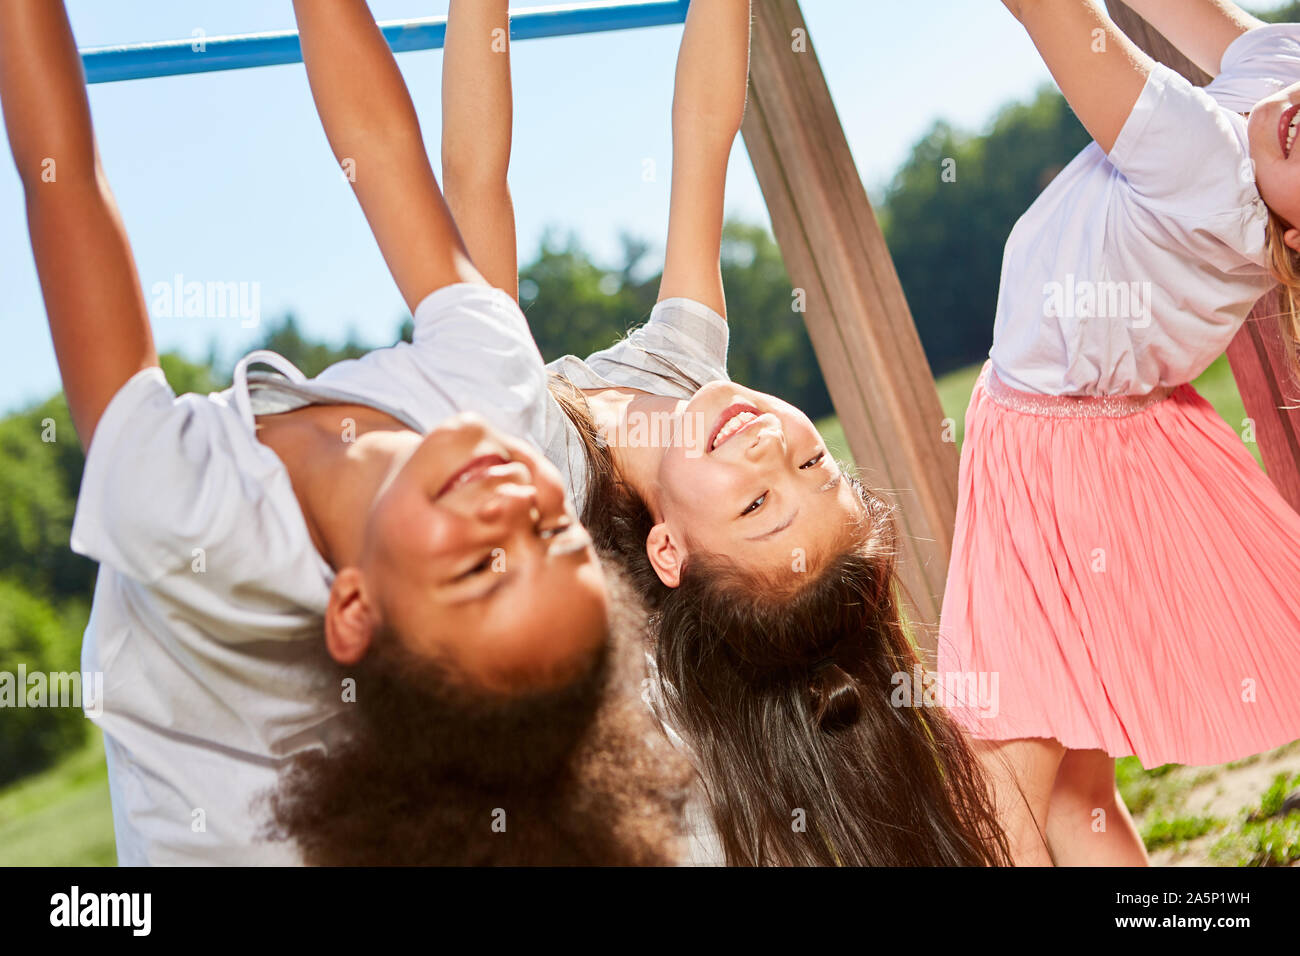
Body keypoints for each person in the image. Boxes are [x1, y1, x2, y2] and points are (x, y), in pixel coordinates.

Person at [0, 0, 620, 864]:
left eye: (482, 566)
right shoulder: (497, 393)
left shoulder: (187, 519)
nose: (516, 507)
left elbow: (55, 168)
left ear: (356, 604)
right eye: (558, 533)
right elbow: (382, 146)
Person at [539, 0, 1011, 865]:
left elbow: (472, 200)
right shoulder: (684, 364)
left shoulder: (551, 466)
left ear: (670, 554)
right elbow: (706, 137)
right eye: (811, 461)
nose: (769, 447)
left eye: (759, 501)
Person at [941, 0, 1300, 865]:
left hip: (1043, 453)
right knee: (1075, 785)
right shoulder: (1281, 89)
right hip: (1120, 440)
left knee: (998, 763)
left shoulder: (1209, 164)